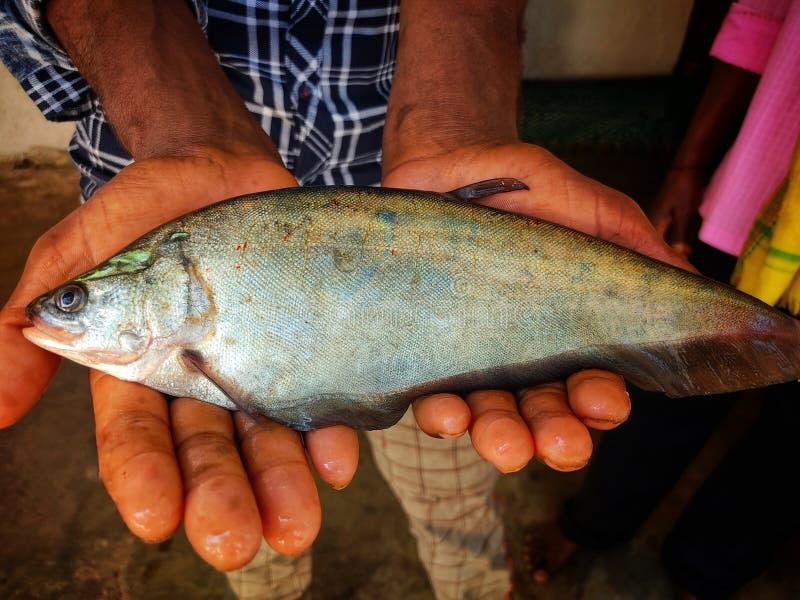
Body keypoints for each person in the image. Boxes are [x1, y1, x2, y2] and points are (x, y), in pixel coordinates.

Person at [0, 1, 689, 598]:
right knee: (246, 510)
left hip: (417, 204)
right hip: (152, 165)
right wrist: (182, 127)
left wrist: (458, 119)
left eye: (75, 302)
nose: (62, 313)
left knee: (455, 487)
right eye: (75, 302)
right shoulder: (169, 263)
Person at [524, 1, 800, 597]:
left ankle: (705, 572)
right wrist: (690, 163)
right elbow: (762, 16)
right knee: (662, 386)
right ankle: (595, 524)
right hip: (754, 201)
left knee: (791, 447)